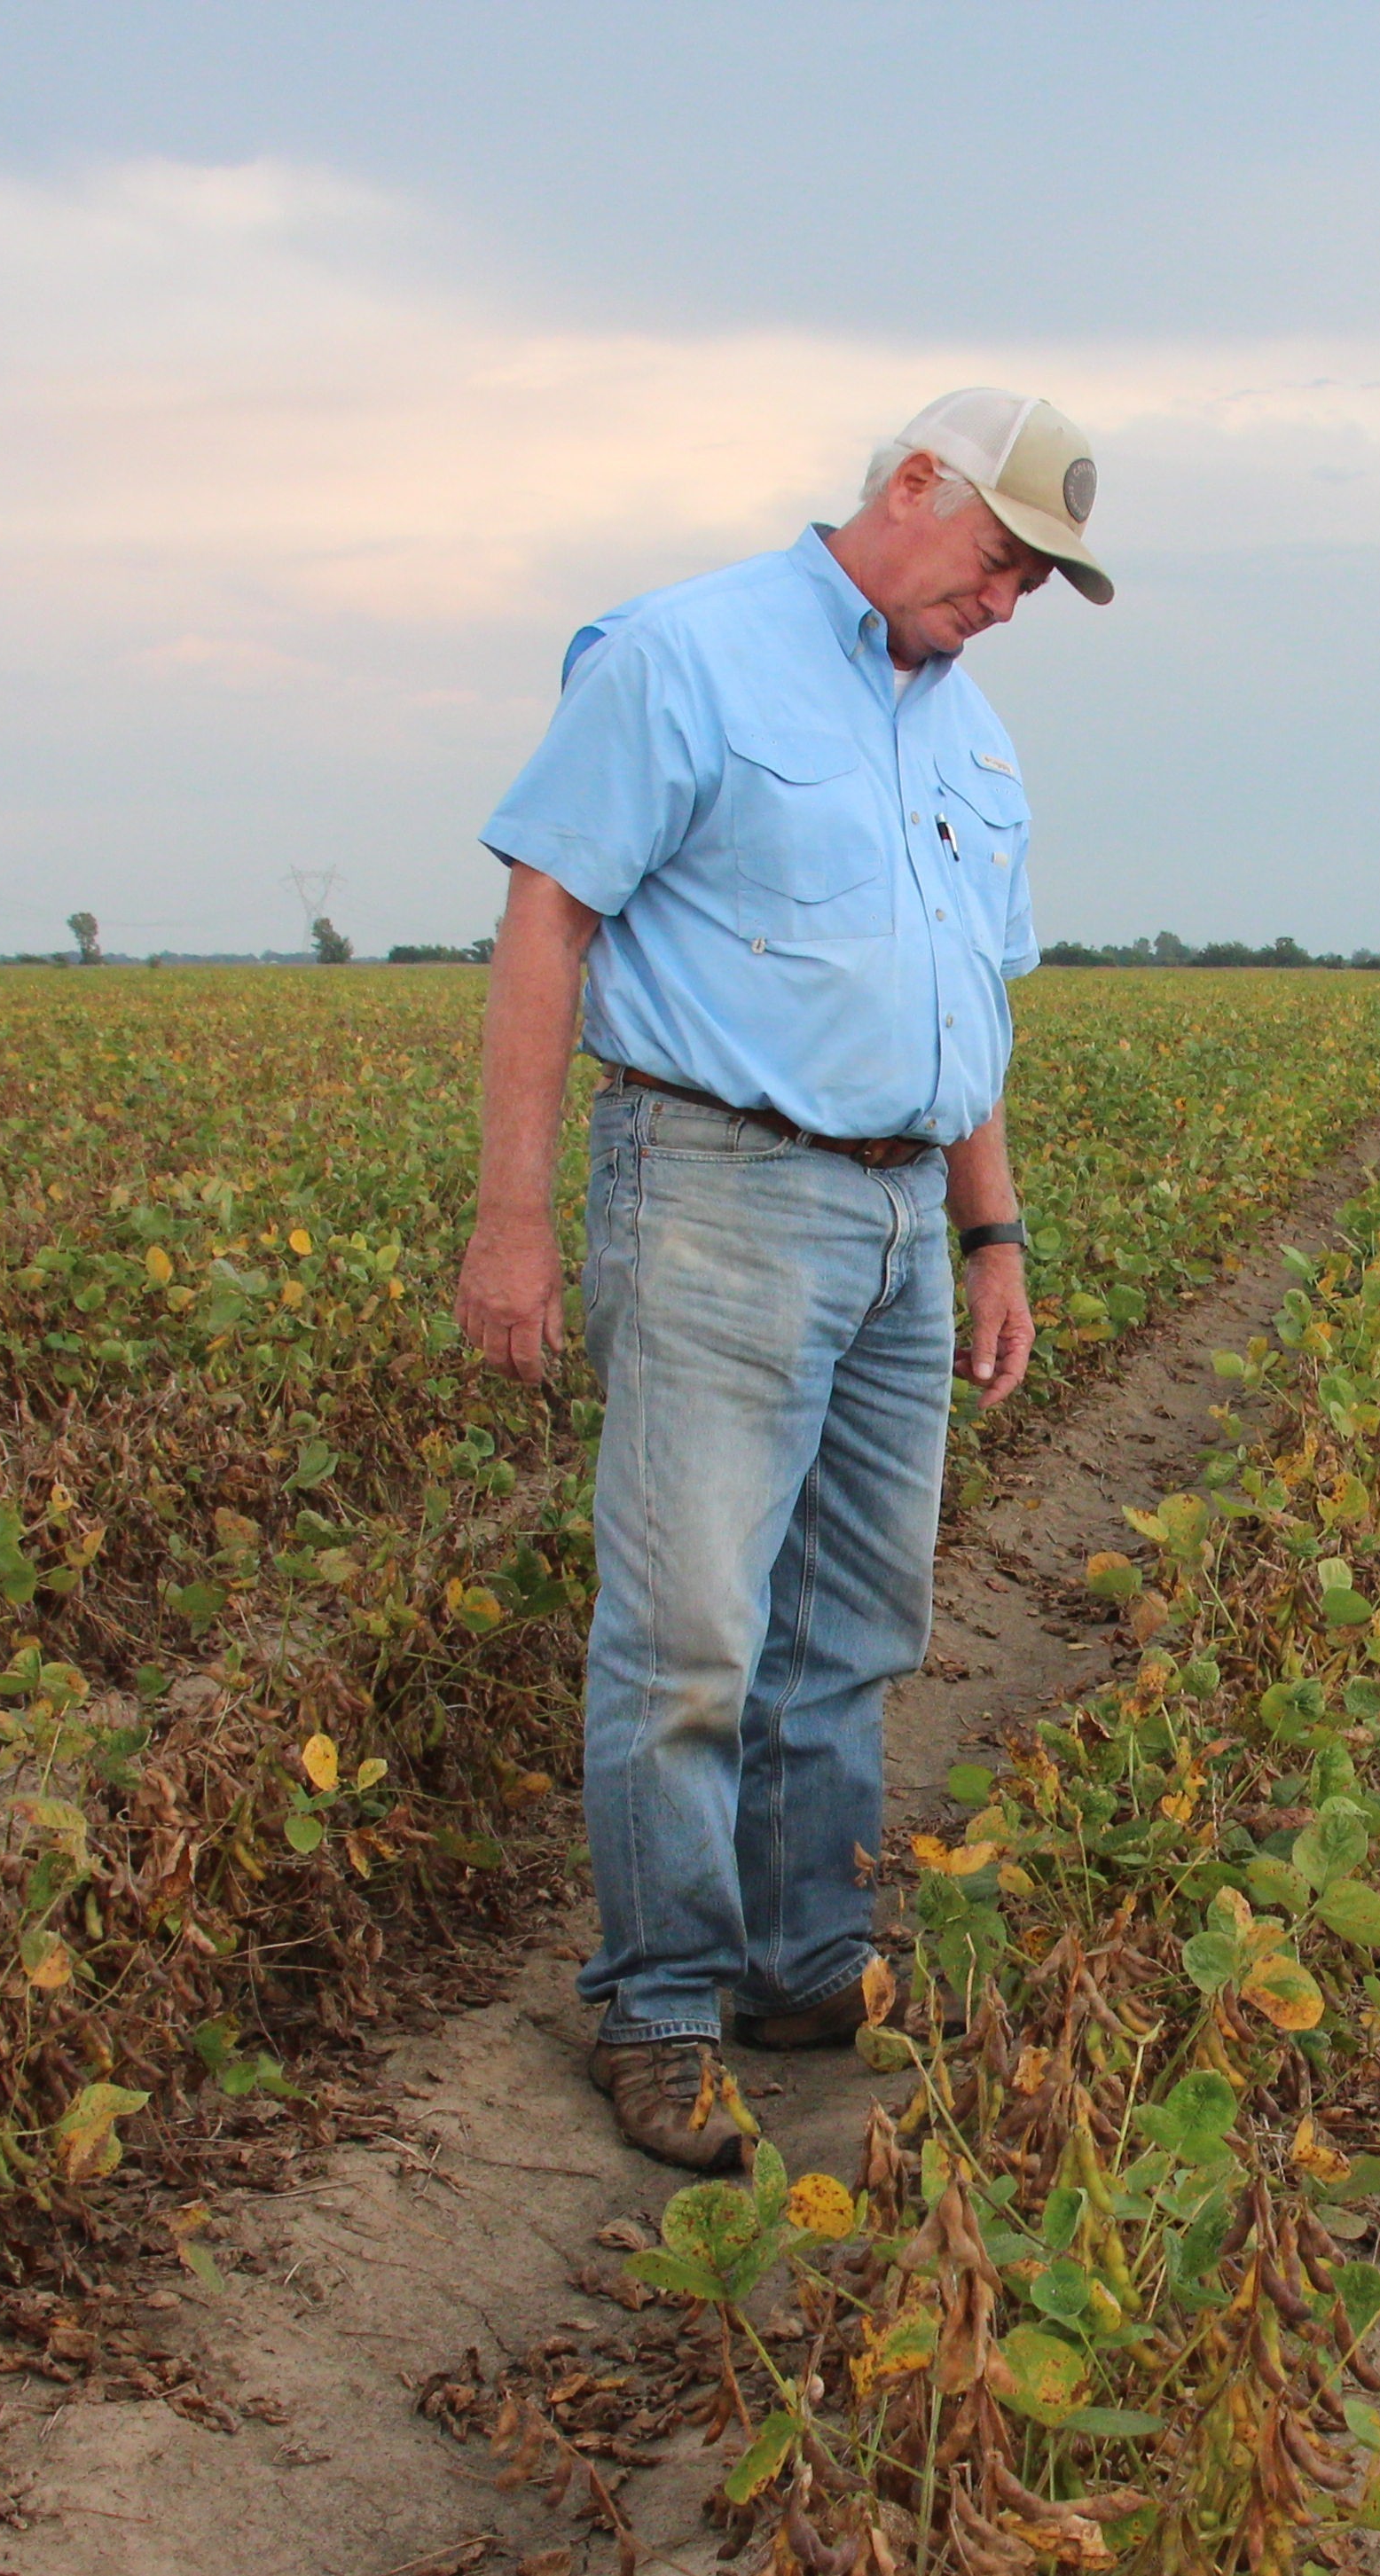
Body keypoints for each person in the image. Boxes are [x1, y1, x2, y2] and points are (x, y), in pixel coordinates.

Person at [453, 389, 1112, 2170]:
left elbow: (966, 1007)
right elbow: (546, 923)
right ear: (914, 485)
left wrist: (991, 1232)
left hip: (905, 1218)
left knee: (851, 1626)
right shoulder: (685, 657)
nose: (1005, 604)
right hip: (718, 1189)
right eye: (999, 560)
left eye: (1037, 587)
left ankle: (803, 1961)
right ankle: (661, 2004)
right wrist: (513, 1219)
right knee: (690, 1638)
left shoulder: (970, 737)